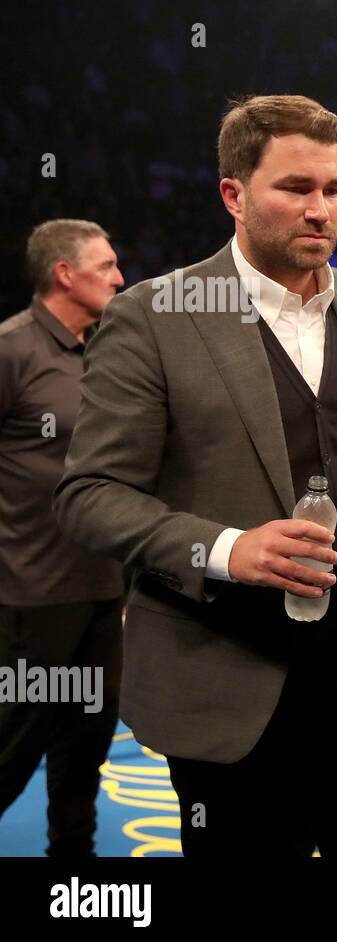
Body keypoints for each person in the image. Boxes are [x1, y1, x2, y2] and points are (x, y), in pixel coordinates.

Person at [53, 95, 337, 856]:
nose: (321, 210)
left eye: (334, 189)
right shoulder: (154, 314)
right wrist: (224, 548)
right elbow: (88, 495)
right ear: (233, 194)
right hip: (232, 693)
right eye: (296, 188)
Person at [0, 219, 125, 856]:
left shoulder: (110, 348)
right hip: (29, 595)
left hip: (103, 592)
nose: (119, 277)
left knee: (83, 759)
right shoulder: (12, 348)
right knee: (10, 754)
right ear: (64, 274)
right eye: (105, 266)